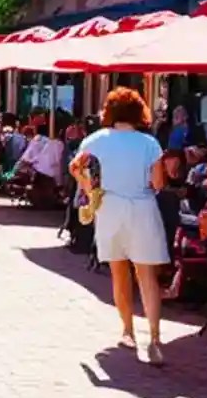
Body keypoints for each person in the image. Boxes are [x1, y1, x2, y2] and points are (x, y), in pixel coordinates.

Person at [70, 87, 168, 366]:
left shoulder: (96, 139)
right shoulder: (149, 143)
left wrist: (90, 188)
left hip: (110, 207)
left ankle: (127, 331)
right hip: (143, 208)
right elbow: (158, 183)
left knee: (118, 272)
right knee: (147, 276)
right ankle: (155, 338)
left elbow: (75, 167)